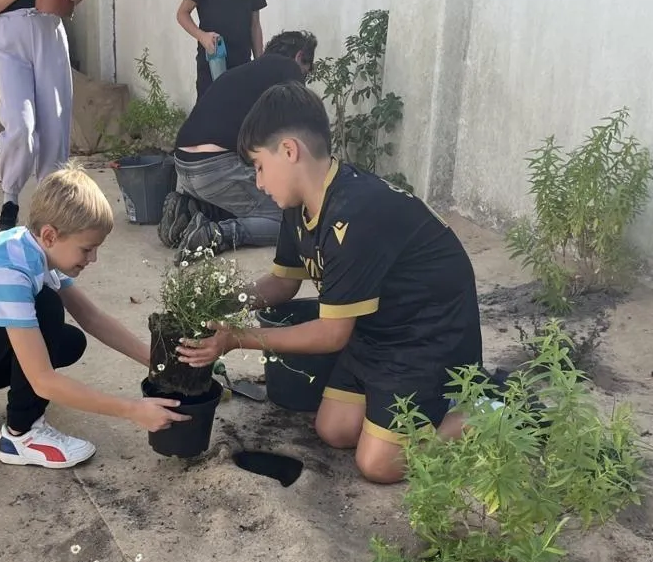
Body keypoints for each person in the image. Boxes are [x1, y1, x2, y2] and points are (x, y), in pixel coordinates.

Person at [177, 83, 484, 484]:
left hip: (427, 338)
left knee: (377, 465)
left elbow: (331, 334)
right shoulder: (299, 206)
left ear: (289, 151)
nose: (258, 182)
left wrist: (236, 339)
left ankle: (487, 415)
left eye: (258, 166)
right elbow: (282, 284)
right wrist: (219, 301)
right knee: (334, 430)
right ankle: (404, 416)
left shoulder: (356, 213)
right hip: (376, 331)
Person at [0, 166, 188, 469]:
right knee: (46, 306)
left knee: (68, 342)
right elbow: (43, 380)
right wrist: (133, 410)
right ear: (50, 235)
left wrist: (159, 363)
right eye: (87, 249)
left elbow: (92, 317)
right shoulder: (10, 273)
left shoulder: (31, 246)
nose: (93, 259)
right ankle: (21, 434)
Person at [159, 30, 317, 256]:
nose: (303, 78)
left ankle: (192, 209)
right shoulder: (289, 69)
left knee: (253, 198)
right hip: (215, 168)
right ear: (300, 56)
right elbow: (297, 134)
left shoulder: (244, 73)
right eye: (306, 72)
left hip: (184, 166)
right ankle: (217, 234)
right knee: (290, 219)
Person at [0, 0, 87, 233]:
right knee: (19, 123)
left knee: (55, 124)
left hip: (50, 30)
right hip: (10, 38)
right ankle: (10, 197)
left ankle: (50, 202)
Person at [176, 0, 266, 100]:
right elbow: (182, 13)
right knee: (211, 106)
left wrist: (260, 61)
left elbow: (255, 25)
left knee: (240, 108)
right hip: (213, 62)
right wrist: (202, 36)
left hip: (242, 64)